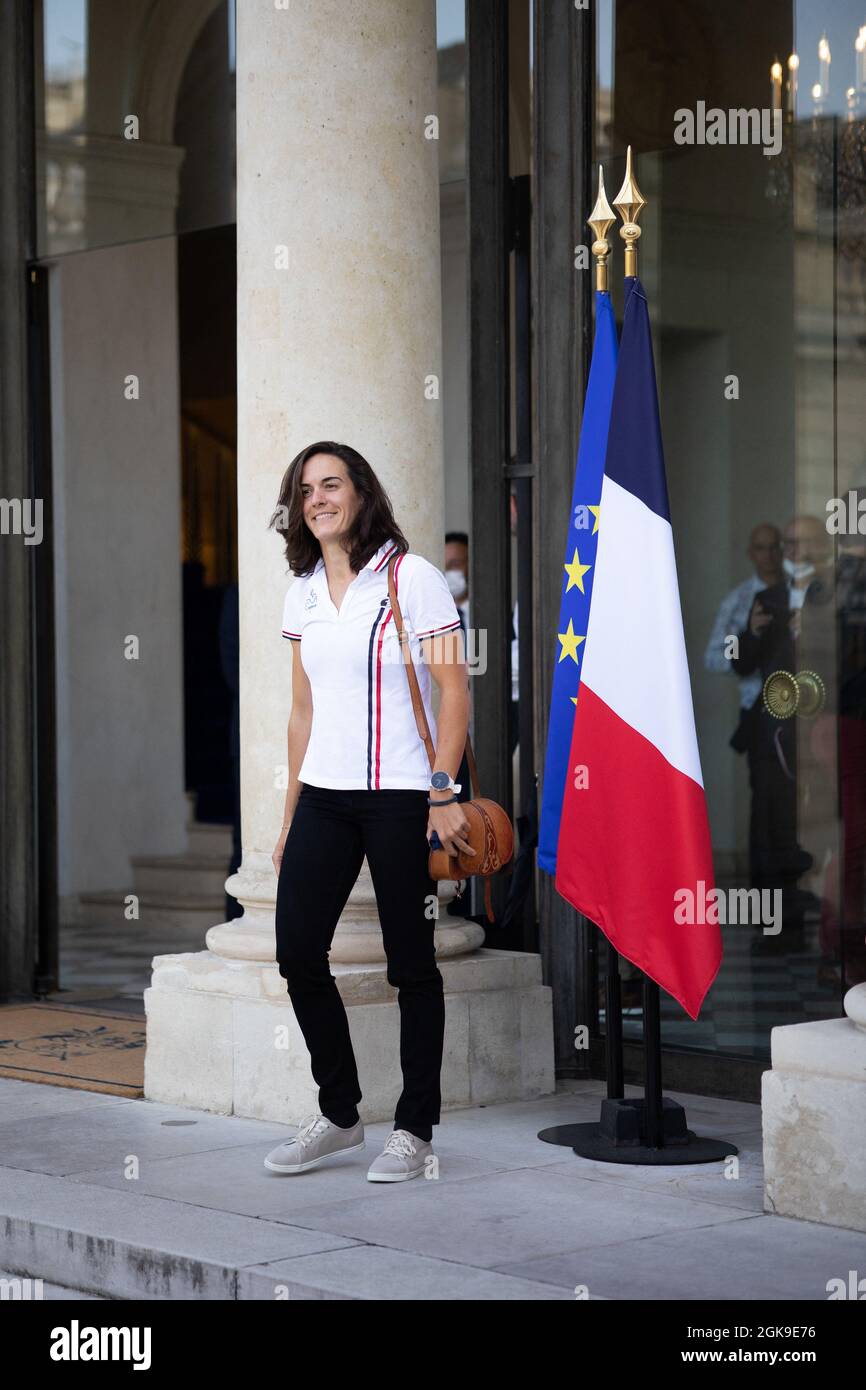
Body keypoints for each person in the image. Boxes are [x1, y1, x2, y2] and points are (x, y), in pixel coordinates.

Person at [263, 441, 471, 1183]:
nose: (318, 498)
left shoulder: (411, 578)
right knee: (295, 952)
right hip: (323, 796)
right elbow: (301, 710)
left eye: (331, 484)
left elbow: (454, 692)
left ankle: (415, 1128)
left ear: (360, 493)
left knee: (411, 964)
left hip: (400, 800)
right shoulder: (304, 591)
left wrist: (441, 790)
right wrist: (289, 815)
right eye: (306, 489)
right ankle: (342, 1112)